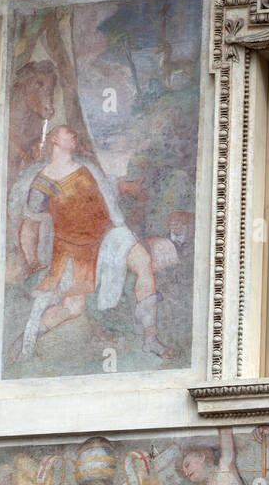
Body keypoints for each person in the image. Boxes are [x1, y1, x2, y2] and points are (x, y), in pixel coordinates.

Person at [13, 124, 169, 360]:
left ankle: (150, 338)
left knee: (143, 261)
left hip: (109, 234)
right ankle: (28, 337)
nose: (73, 136)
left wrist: (127, 187)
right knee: (73, 307)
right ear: (55, 139)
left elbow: (104, 186)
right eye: (68, 133)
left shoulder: (86, 167)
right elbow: (30, 224)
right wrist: (32, 259)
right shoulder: (42, 183)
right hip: (76, 250)